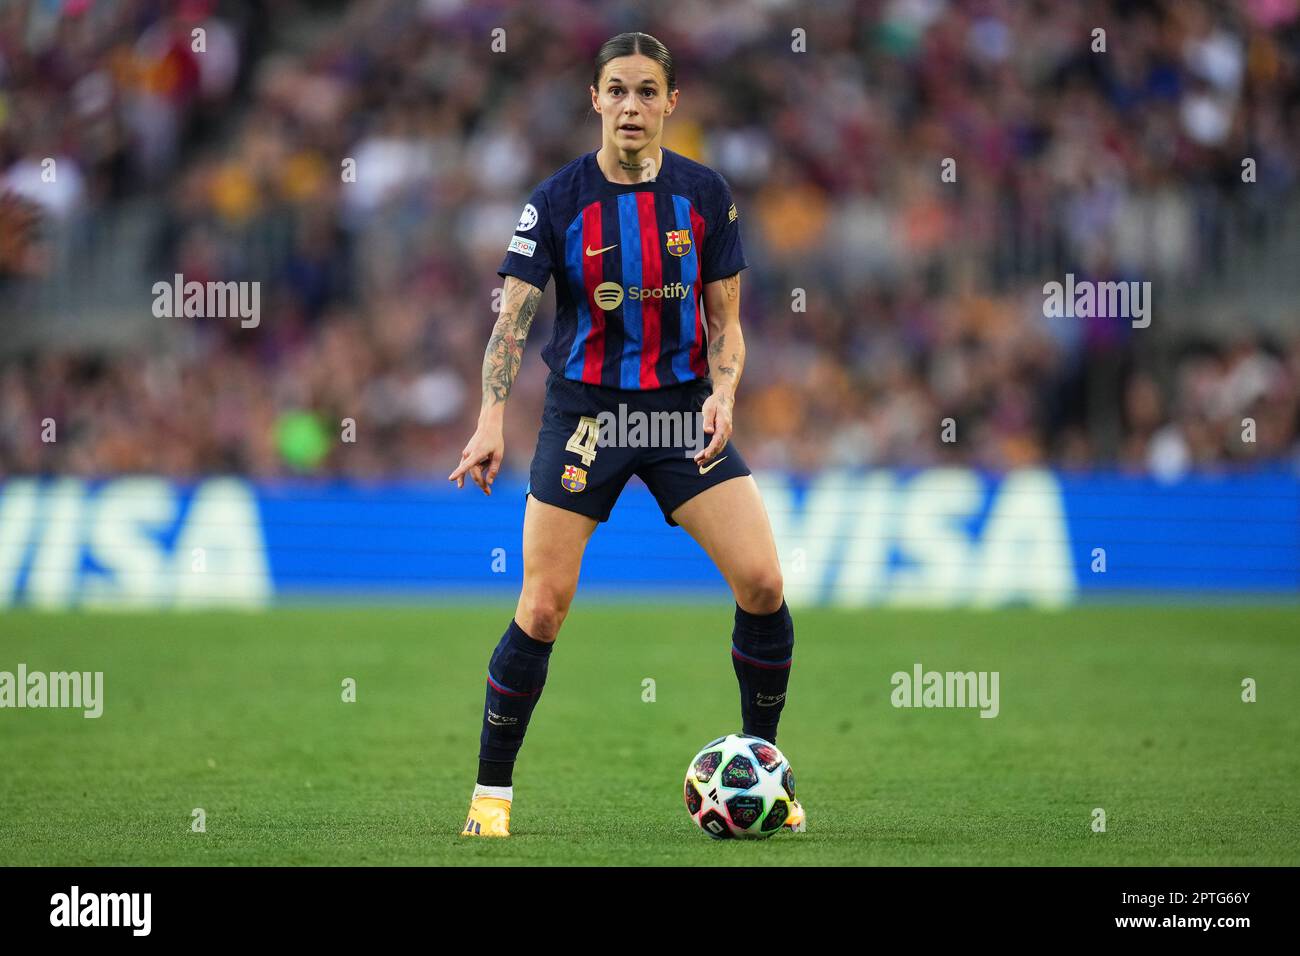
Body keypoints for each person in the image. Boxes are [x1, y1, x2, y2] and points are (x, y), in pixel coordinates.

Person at [449, 32, 801, 837]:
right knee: (542, 606)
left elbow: (726, 324)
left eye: (648, 91)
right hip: (587, 415)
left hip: (679, 410)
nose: (632, 106)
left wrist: (724, 393)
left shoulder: (706, 195)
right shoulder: (557, 200)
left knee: (763, 585)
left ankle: (763, 775)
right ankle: (490, 797)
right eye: (618, 90)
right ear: (595, 99)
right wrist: (490, 418)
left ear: (672, 102)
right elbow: (512, 321)